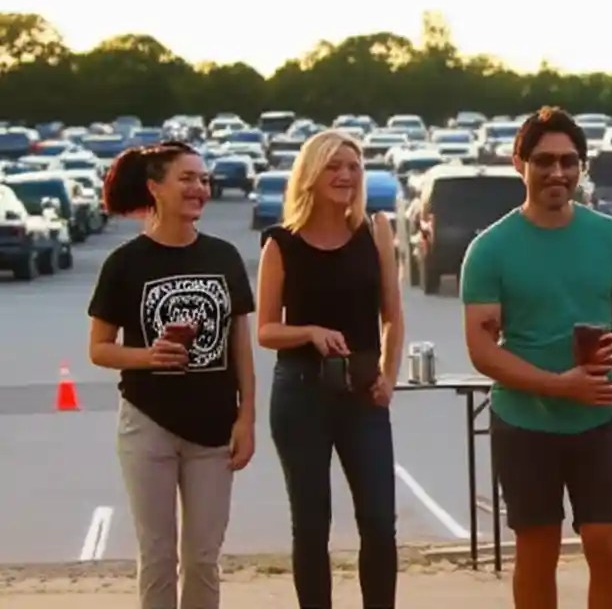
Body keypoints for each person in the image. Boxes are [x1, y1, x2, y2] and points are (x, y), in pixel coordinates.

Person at [460, 107, 612, 609]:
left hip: (600, 416)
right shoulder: (490, 249)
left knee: (608, 547)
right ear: (518, 162)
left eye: (570, 161)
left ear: (582, 167)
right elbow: (481, 349)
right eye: (544, 160)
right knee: (537, 551)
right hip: (524, 425)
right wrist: (558, 385)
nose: (558, 172)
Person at [87, 141, 256, 609]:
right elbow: (99, 349)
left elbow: (239, 344)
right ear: (155, 188)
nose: (199, 188)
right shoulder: (125, 263)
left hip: (215, 426)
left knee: (203, 557)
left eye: (203, 180)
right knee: (158, 555)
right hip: (147, 425)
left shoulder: (222, 257)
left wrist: (247, 418)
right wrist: (148, 357)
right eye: (187, 179)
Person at [256, 129, 404, 609]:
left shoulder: (376, 230)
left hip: (363, 390)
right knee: (312, 523)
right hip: (300, 392)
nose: (344, 175)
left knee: (380, 520)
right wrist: (309, 332)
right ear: (310, 175)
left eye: (353, 167)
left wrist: (389, 373)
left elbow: (393, 315)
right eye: (333, 166)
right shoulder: (281, 243)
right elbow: (265, 330)